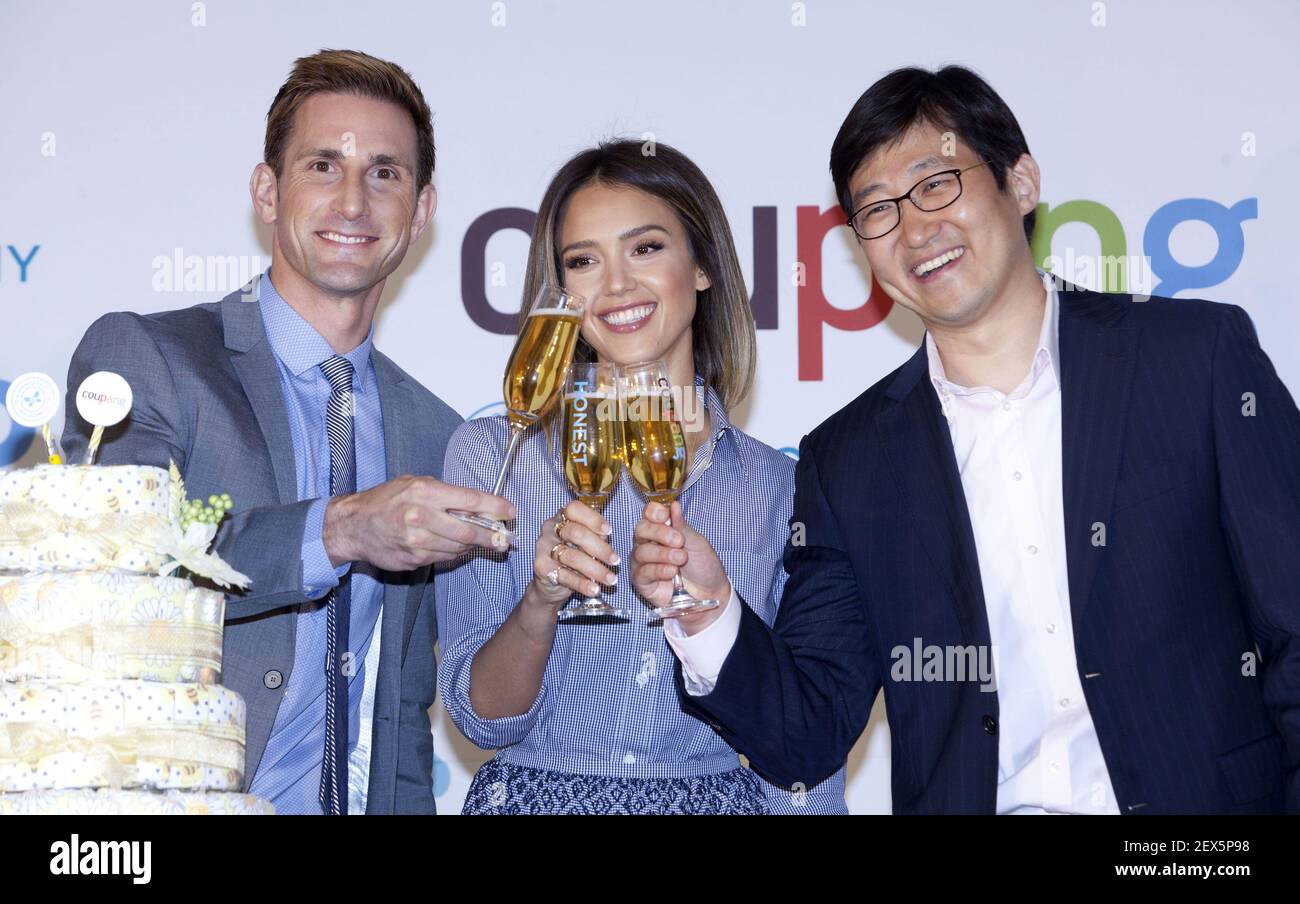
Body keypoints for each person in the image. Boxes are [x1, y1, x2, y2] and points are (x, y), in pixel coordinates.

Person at [634, 65, 1300, 814]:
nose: (917, 230)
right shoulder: (849, 460)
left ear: (1020, 183)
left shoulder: (1194, 360)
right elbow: (808, 736)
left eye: (937, 184)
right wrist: (711, 607)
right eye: (878, 211)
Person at [62, 49, 514, 815]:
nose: (352, 202)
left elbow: (403, 708)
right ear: (267, 191)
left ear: (422, 209)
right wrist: (340, 531)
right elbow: (113, 583)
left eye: (384, 172)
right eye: (321, 166)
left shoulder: (437, 433)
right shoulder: (153, 358)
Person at [436, 140, 847, 814]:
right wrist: (540, 603)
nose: (617, 286)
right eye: (583, 261)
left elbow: (797, 740)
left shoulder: (778, 486)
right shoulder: (491, 461)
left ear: (704, 266)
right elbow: (483, 720)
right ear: (562, 291)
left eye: (646, 248)